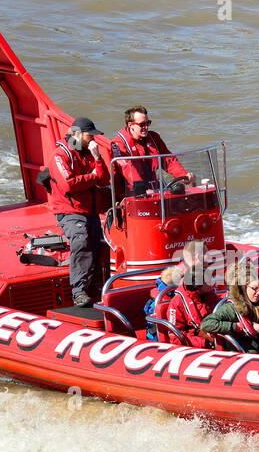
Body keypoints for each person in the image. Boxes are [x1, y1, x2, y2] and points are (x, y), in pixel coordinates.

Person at [49, 118, 110, 306]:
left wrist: (98, 158)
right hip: (69, 212)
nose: (93, 140)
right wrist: (92, 176)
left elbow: (104, 179)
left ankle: (97, 289)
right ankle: (78, 292)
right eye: (90, 135)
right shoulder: (60, 155)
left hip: (89, 212)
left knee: (100, 245)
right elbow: (68, 184)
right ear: (76, 134)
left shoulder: (90, 153)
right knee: (81, 239)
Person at [108, 107, 190, 198]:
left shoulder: (154, 138)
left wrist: (184, 175)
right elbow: (126, 168)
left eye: (148, 123)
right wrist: (142, 190)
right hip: (132, 193)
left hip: (153, 187)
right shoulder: (118, 143)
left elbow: (168, 160)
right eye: (142, 124)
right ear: (130, 125)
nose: (146, 127)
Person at [201, 262, 259, 354]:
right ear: (243, 288)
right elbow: (206, 324)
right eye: (254, 289)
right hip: (247, 354)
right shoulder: (231, 307)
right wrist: (237, 327)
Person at [162, 259, 221, 348]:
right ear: (197, 284)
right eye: (208, 280)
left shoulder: (210, 295)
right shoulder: (177, 303)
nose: (212, 283)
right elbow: (175, 336)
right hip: (197, 347)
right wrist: (203, 342)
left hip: (217, 339)